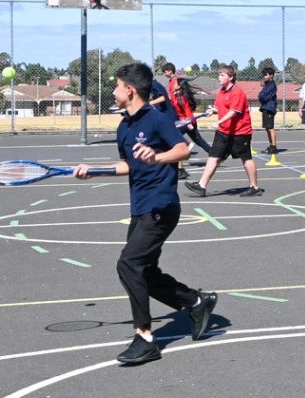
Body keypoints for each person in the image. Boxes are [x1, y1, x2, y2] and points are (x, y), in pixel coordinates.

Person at [72, 62, 216, 366]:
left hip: (161, 206)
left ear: (130, 90)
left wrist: (158, 156)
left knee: (129, 264)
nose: (113, 91)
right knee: (144, 273)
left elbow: (183, 150)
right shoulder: (124, 126)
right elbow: (128, 165)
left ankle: (146, 337)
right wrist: (94, 172)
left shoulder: (157, 120)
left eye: (117, 86)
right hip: (140, 207)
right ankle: (195, 301)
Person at [185, 64, 261, 197]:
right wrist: (212, 111)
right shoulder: (222, 91)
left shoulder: (237, 92)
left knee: (246, 158)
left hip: (240, 132)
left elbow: (233, 112)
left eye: (222, 75)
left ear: (231, 77)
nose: (219, 77)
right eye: (219, 74)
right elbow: (220, 108)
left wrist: (219, 121)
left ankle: (254, 187)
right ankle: (202, 185)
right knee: (214, 157)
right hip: (224, 132)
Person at [161, 63, 210, 165]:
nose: (164, 74)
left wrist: (189, 123)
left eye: (165, 72)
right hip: (182, 120)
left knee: (174, 135)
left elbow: (187, 110)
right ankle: (215, 155)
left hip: (188, 121)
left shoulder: (181, 97)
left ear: (170, 71)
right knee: (198, 141)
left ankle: (180, 150)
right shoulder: (175, 91)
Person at [258, 65, 279, 154]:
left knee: (270, 128)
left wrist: (261, 97)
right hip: (265, 107)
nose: (264, 77)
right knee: (267, 128)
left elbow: (264, 96)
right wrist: (261, 96)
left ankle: (274, 146)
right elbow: (261, 94)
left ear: (271, 75)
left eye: (266, 75)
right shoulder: (267, 84)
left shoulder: (272, 85)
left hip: (270, 107)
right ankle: (271, 145)